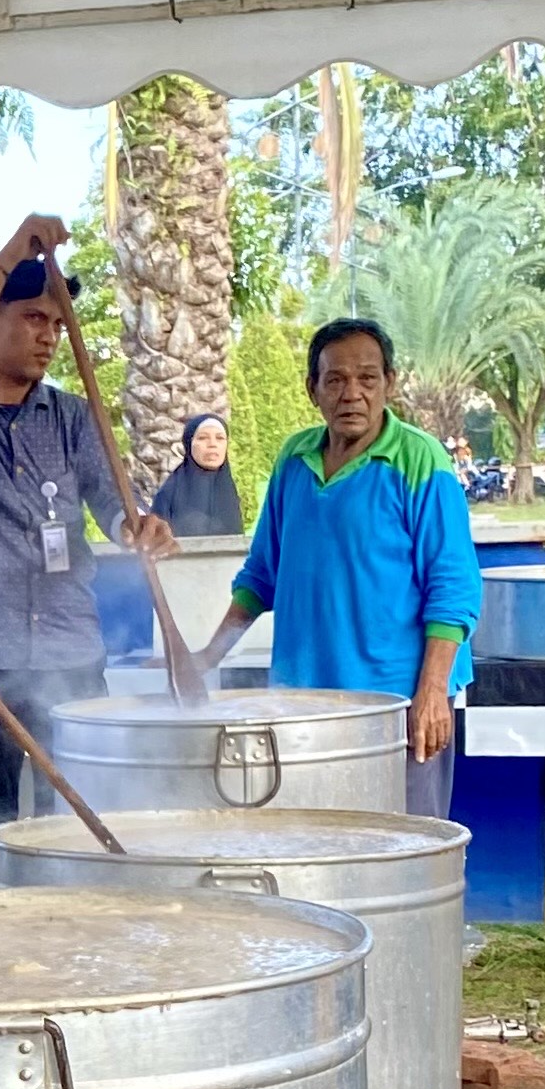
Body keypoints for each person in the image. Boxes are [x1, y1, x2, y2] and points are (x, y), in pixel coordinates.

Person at [0, 211, 176, 886]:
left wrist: (135, 527)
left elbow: (111, 503)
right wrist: (10, 252)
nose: (49, 334)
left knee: (79, 845)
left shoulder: (74, 418)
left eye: (56, 322)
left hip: (72, 658)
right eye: (32, 317)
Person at [191, 317, 481, 819]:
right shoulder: (294, 457)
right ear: (312, 389)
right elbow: (261, 576)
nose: (352, 394)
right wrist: (205, 657)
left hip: (397, 702)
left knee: (403, 844)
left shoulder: (421, 460)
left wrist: (432, 692)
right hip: (303, 702)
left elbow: (453, 587)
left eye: (367, 378)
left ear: (389, 383)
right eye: (336, 380)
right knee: (314, 840)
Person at [150, 410, 244, 537]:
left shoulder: (229, 490)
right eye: (203, 438)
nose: (212, 444)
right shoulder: (169, 492)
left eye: (220, 438)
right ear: (189, 444)